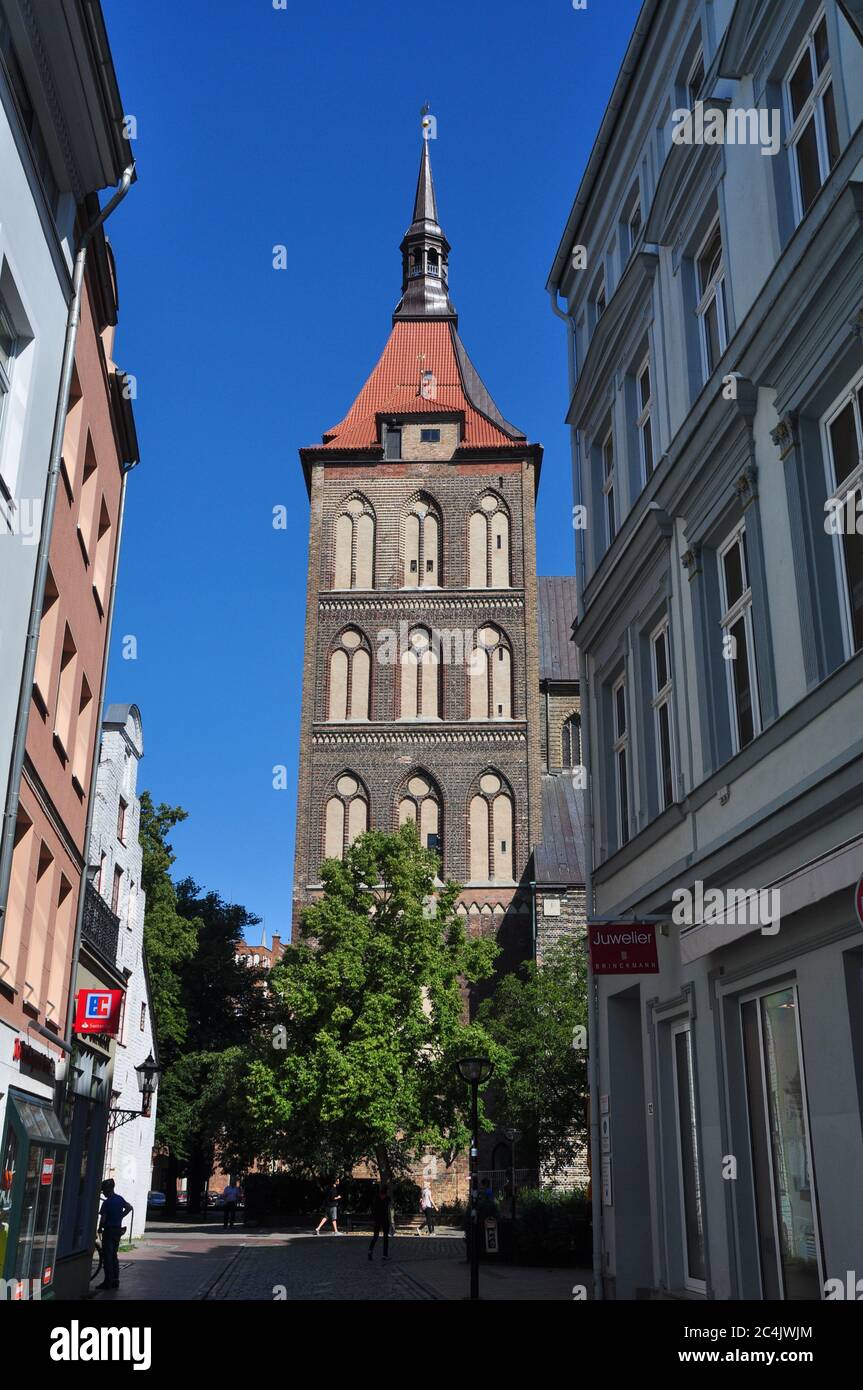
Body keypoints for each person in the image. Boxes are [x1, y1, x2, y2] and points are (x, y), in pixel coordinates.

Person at [96, 1180, 132, 1291]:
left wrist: (100, 1227)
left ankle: (108, 1282)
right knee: (114, 1256)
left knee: (107, 1257)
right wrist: (120, 1216)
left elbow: (103, 1218)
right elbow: (129, 1207)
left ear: (109, 1189)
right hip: (117, 1231)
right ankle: (115, 1280)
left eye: (104, 1191)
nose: (103, 1193)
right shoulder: (120, 1199)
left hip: (109, 1231)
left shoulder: (107, 1203)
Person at [368, 1179, 391, 1261]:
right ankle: (385, 1255)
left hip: (377, 1218)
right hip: (384, 1219)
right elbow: (388, 1210)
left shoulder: (377, 1198)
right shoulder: (388, 1199)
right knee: (385, 1237)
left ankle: (370, 1251)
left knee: (375, 1236)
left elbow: (374, 1208)